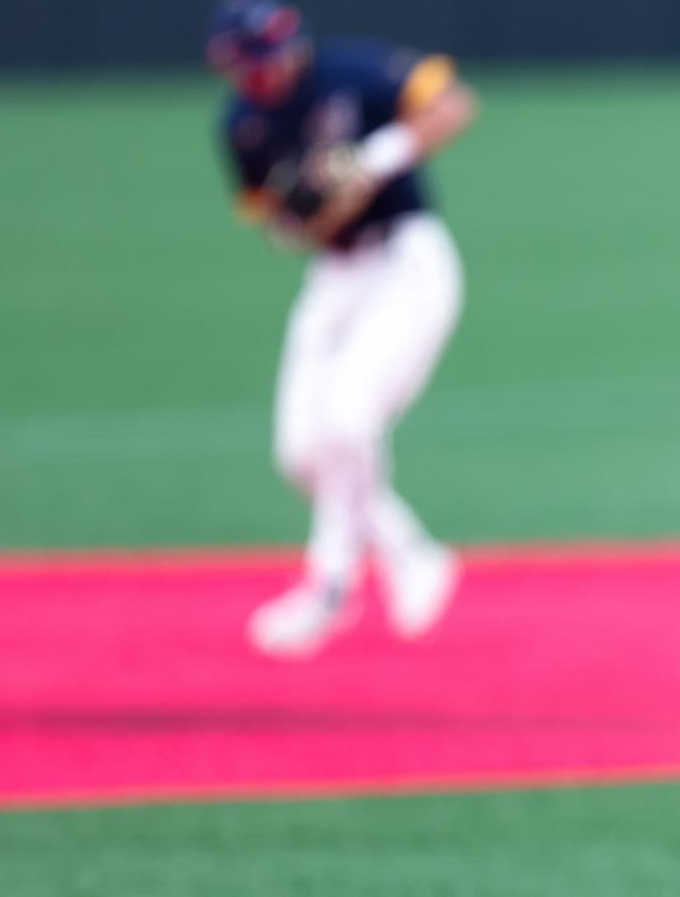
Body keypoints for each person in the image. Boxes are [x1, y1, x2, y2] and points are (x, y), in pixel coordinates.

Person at [208, 0, 474, 657]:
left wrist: (368, 161)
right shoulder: (241, 123)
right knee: (301, 453)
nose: (275, 70)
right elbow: (279, 225)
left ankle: (329, 585)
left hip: (406, 259)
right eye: (258, 63)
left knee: (350, 421)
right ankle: (413, 555)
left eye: (280, 53)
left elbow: (452, 104)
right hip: (338, 276)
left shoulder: (350, 73)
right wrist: (313, 211)